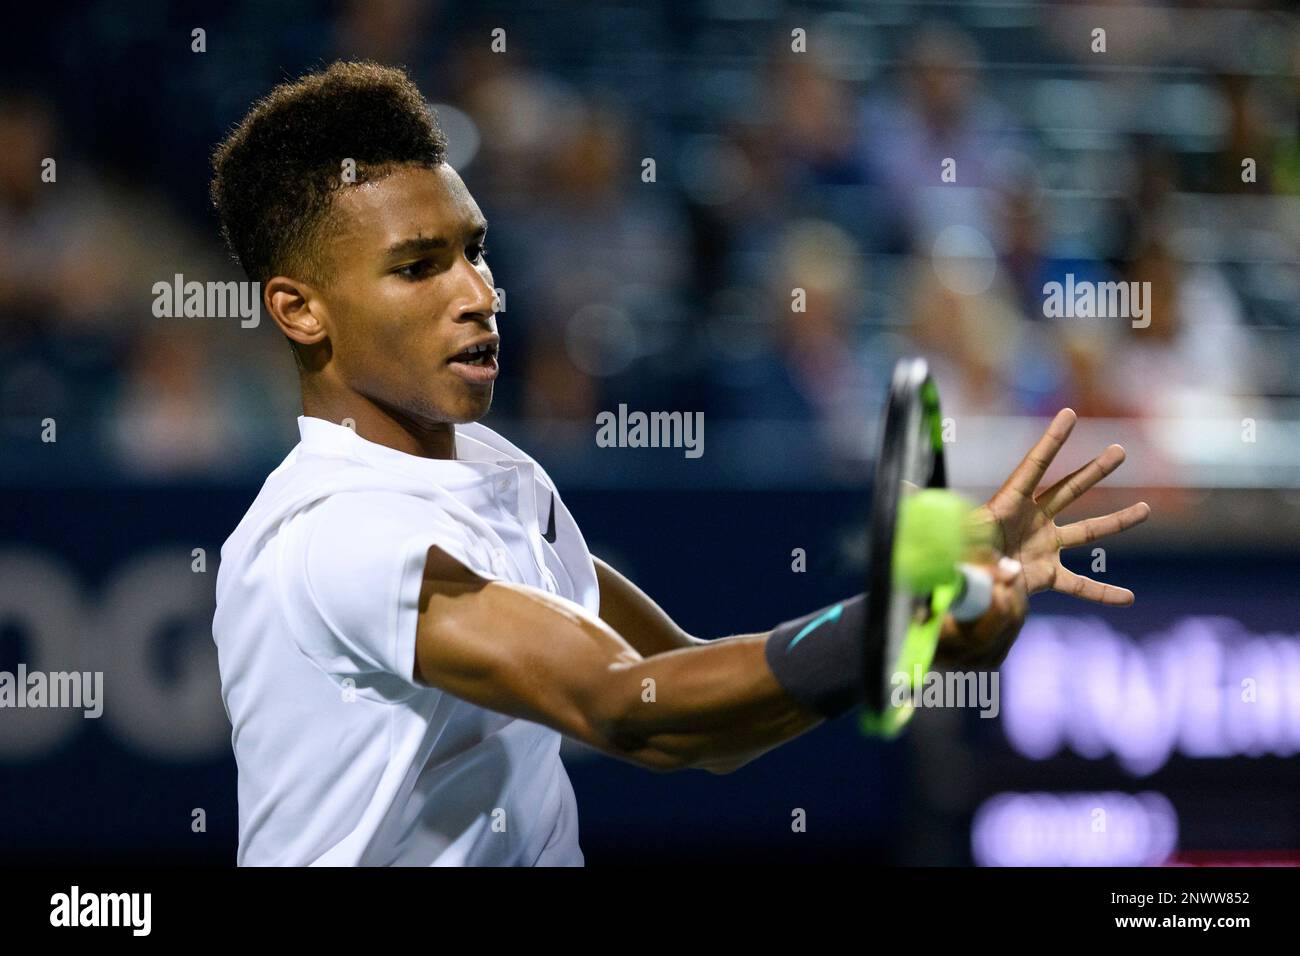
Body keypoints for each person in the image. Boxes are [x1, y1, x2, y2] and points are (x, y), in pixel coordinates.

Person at [209, 61, 1149, 866]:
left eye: (475, 250)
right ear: (299, 309)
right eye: (419, 267)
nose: (479, 292)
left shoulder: (503, 476)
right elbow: (626, 706)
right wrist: (895, 617)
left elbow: (689, 709)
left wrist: (924, 616)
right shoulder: (336, 531)